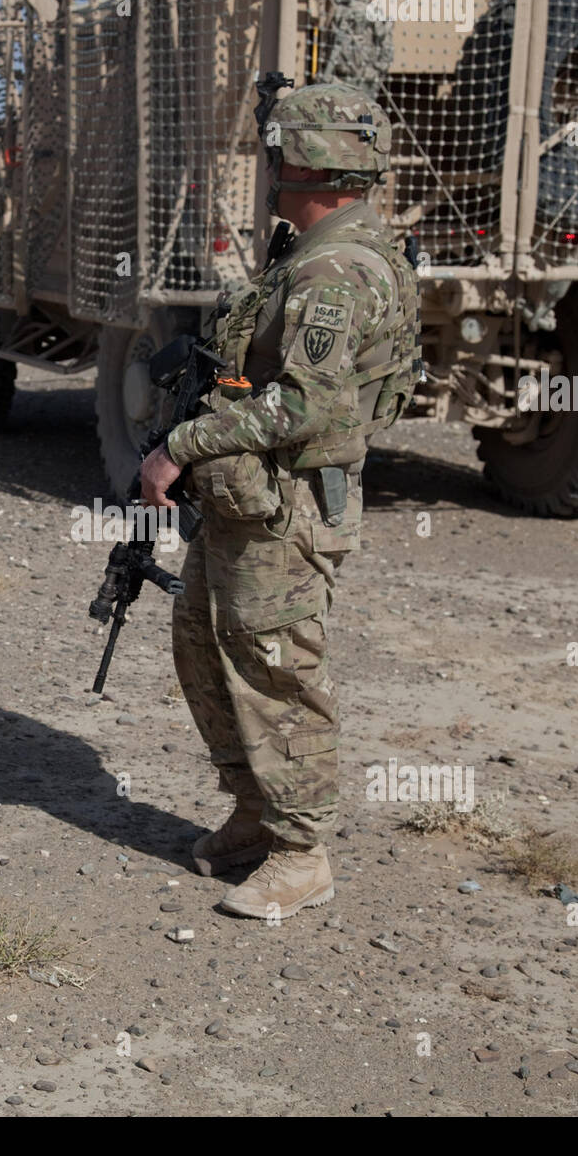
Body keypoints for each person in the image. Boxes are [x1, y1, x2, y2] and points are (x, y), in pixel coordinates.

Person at [140, 83, 420, 920]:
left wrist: (177, 448)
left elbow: (307, 407)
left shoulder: (338, 269)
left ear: (308, 164)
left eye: (278, 151)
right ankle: (256, 808)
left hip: (290, 504)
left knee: (275, 670)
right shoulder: (312, 248)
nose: (267, 167)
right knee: (202, 640)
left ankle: (302, 852)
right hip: (250, 500)